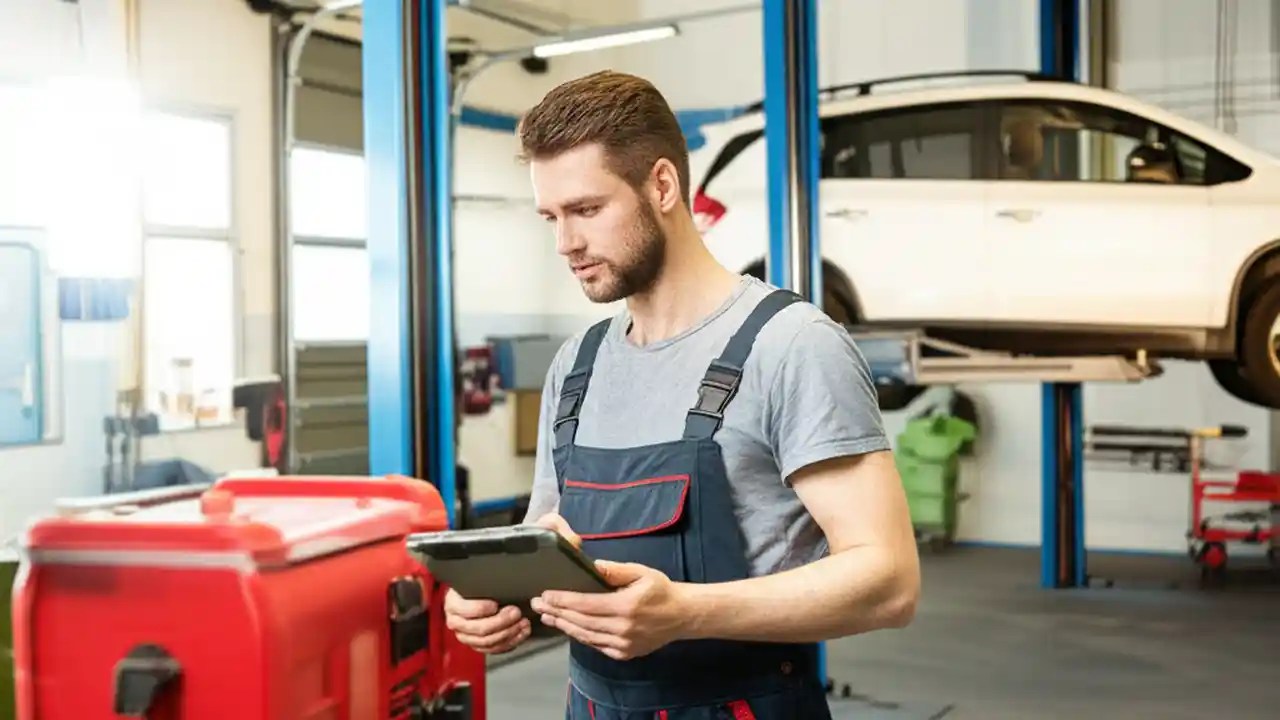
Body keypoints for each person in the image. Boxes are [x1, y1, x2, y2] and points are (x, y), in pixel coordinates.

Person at [443, 70, 920, 719]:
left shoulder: (792, 345)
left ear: (662, 185)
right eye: (551, 217)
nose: (566, 243)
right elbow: (551, 538)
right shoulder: (575, 367)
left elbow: (889, 581)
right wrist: (502, 599)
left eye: (587, 210)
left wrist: (687, 612)